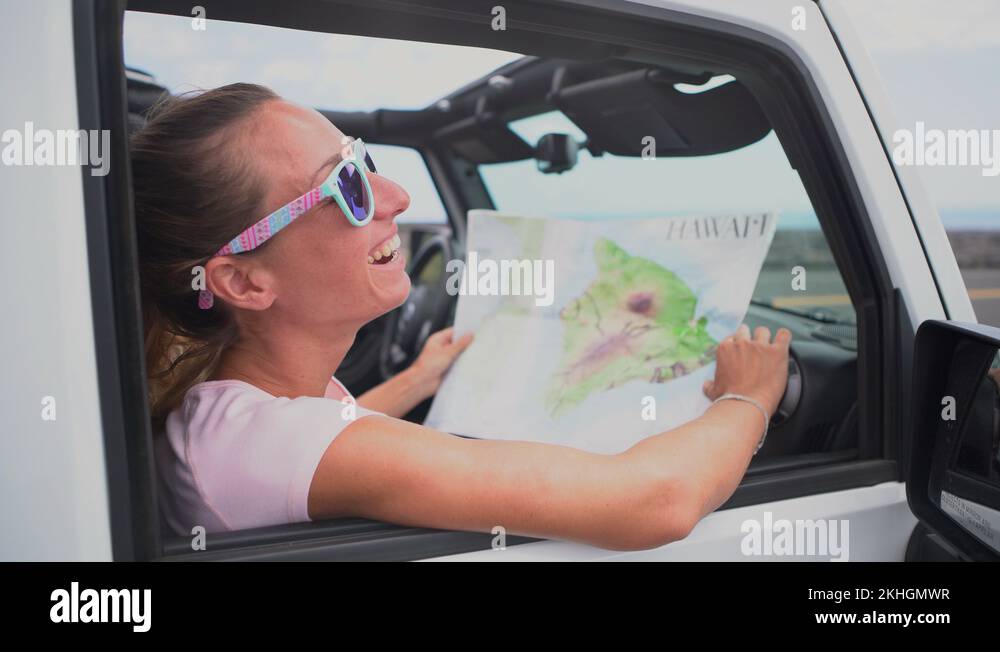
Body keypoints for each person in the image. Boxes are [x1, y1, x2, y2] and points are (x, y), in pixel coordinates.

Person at [134, 83, 791, 551]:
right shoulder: (272, 444)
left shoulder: (233, 410)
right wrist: (747, 396)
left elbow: (330, 435)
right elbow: (655, 503)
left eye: (364, 160)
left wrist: (419, 379)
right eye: (345, 186)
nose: (395, 195)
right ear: (244, 280)